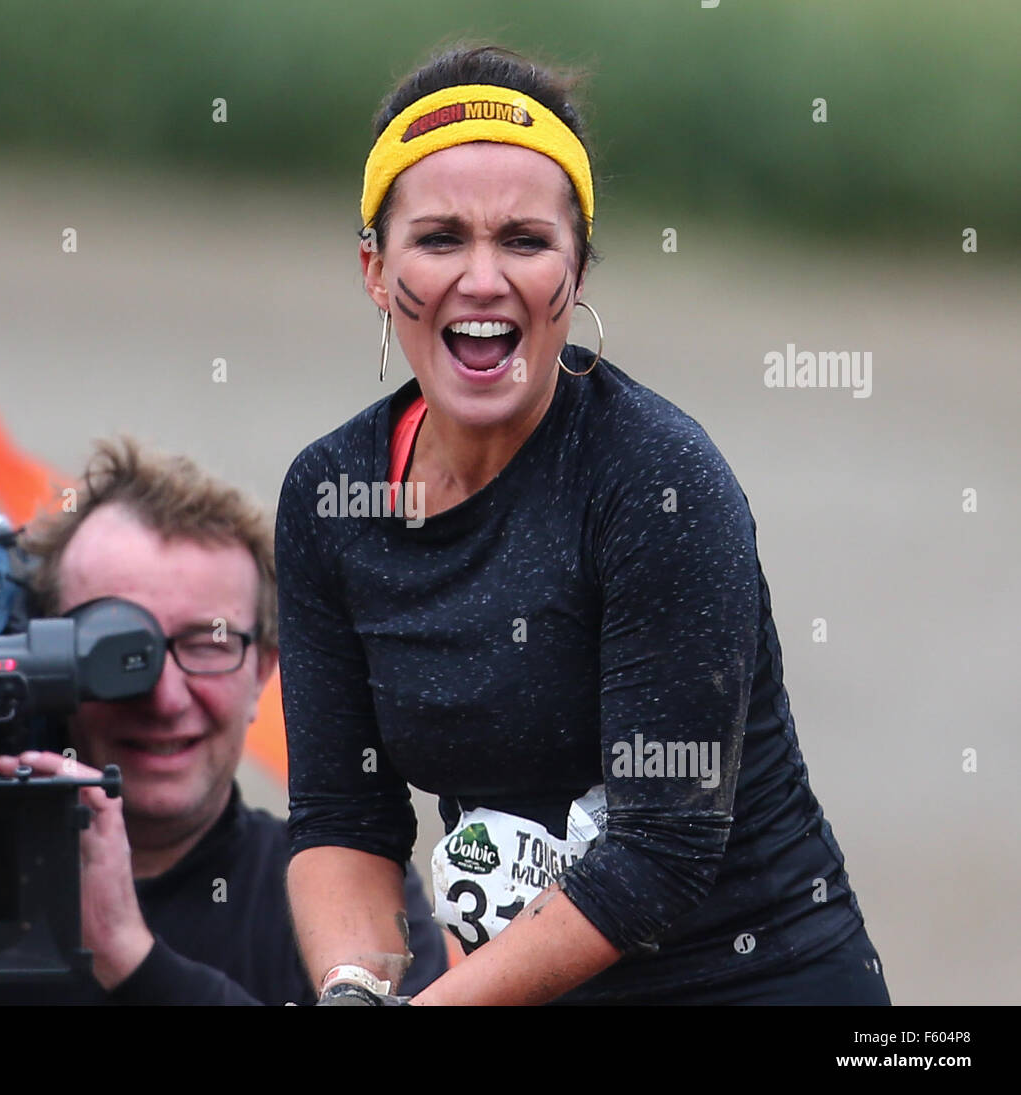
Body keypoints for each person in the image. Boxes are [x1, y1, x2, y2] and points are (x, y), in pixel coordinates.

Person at [276, 45, 891, 1006]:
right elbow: (341, 816)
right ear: (374, 268)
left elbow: (657, 854)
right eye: (439, 239)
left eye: (525, 240)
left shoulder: (659, 482)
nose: (483, 278)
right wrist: (355, 989)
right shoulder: (331, 493)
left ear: (578, 268)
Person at [0, 438, 446, 1004]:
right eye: (112, 651)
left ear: (265, 671)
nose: (162, 693)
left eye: (207, 642)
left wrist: (132, 959)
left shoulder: (339, 893)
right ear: (38, 655)